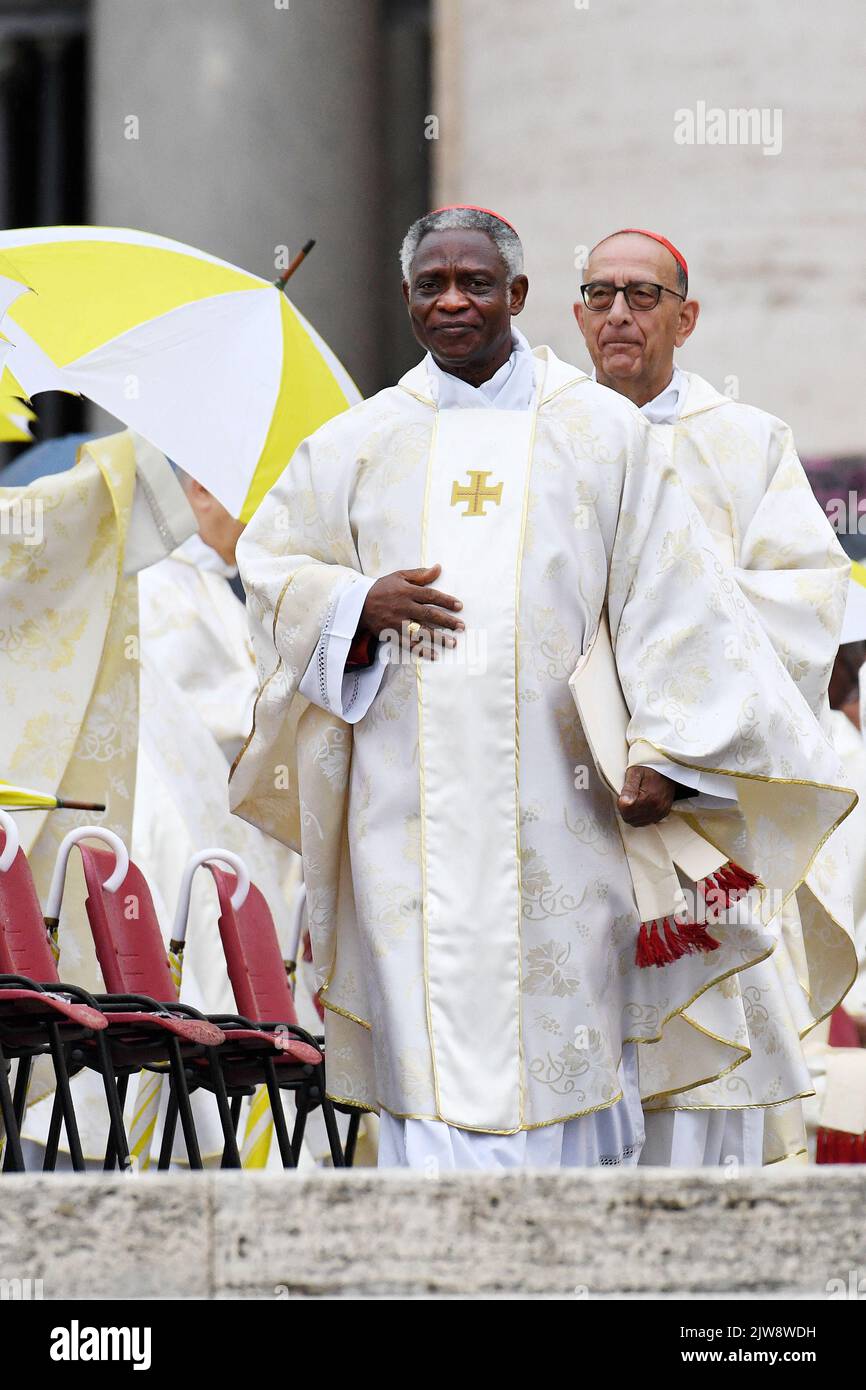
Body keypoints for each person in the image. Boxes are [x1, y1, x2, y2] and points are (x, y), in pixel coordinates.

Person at [230, 206, 854, 1171]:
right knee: (427, 1077)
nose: (452, 301)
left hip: (566, 819)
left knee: (568, 1057)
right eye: (430, 285)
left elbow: (671, 600)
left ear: (516, 297)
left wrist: (668, 753)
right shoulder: (359, 443)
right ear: (405, 301)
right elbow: (272, 571)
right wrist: (353, 604)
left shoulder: (600, 434)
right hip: (407, 829)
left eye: (474, 283)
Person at [574, 228, 854, 1164]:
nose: (619, 312)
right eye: (600, 293)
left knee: (701, 1092)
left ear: (686, 319)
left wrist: (680, 740)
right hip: (568, 807)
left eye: (644, 296)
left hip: (697, 812)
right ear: (576, 315)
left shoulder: (745, 443)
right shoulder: (546, 439)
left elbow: (805, 611)